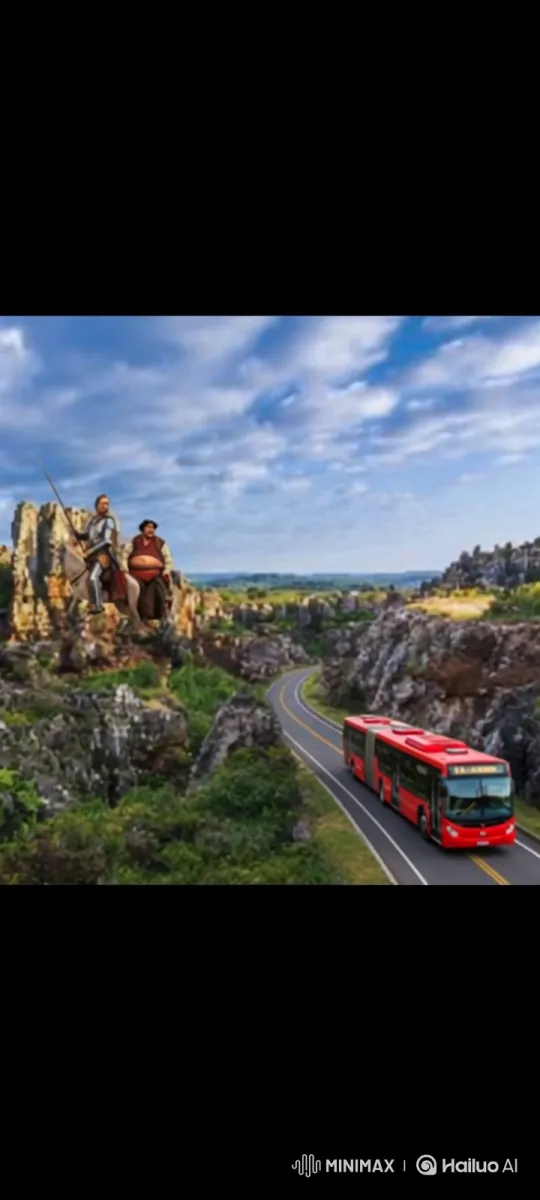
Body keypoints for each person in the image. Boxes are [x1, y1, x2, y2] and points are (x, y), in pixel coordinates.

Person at [75, 494, 124, 614]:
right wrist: (78, 535)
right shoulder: (92, 521)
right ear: (97, 505)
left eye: (107, 503)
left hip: (102, 555)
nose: (105, 506)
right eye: (102, 503)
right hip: (90, 555)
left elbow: (106, 541)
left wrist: (91, 551)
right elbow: (87, 535)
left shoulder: (108, 521)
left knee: (93, 577)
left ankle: (97, 605)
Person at [123, 519, 174, 621]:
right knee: (136, 589)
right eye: (149, 527)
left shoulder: (160, 542)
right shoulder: (134, 541)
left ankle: (159, 616)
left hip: (155, 574)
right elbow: (124, 555)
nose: (151, 530)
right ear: (143, 529)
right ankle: (140, 617)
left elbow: (168, 559)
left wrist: (166, 571)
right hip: (136, 574)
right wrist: (124, 569)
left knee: (158, 587)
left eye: (153, 528)